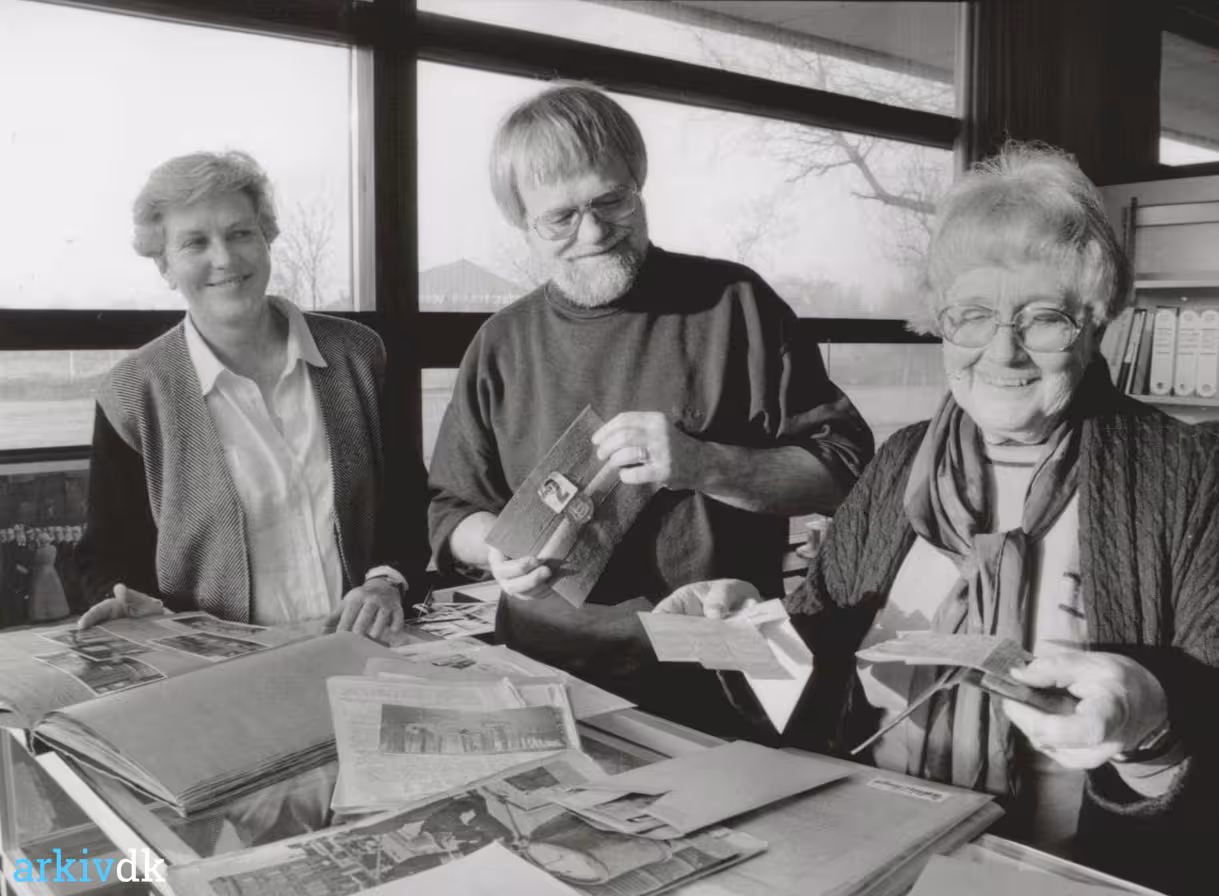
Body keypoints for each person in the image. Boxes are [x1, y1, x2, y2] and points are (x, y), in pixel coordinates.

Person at [655, 144, 1219, 894]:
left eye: (1043, 318)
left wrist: (1148, 724)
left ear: (1095, 322)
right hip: (867, 848)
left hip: (1072, 871)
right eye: (972, 315)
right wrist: (748, 632)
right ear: (940, 323)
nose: (1002, 349)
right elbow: (813, 671)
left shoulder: (1187, 475)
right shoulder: (899, 465)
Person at [427, 82, 873, 732]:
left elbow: (848, 474)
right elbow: (450, 508)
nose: (597, 231)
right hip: (549, 681)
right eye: (561, 217)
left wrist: (707, 465)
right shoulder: (501, 343)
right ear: (522, 223)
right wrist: (495, 552)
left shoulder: (733, 305)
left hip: (727, 676)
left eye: (613, 199)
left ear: (639, 183)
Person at [77, 151, 428, 639]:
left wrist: (386, 581)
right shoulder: (135, 391)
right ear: (165, 266)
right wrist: (124, 600)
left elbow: (409, 503)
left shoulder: (357, 355)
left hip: (364, 648)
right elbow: (106, 555)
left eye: (240, 232)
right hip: (220, 670)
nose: (224, 258)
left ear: (266, 239)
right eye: (195, 242)